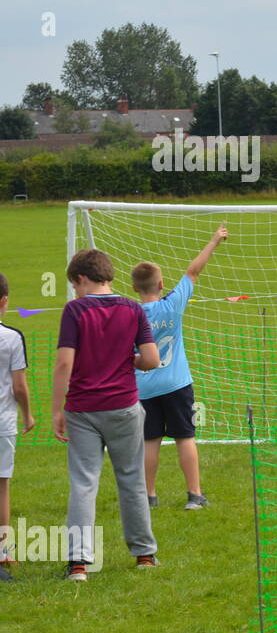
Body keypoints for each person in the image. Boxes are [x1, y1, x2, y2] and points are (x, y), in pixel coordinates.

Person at [53, 249, 161, 581]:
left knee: (83, 483)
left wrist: (57, 408)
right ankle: (144, 555)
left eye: (75, 284)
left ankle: (78, 563)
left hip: (83, 409)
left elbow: (63, 364)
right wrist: (131, 362)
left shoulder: (74, 310)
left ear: (82, 279)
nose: (75, 291)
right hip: (124, 407)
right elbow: (152, 360)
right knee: (131, 479)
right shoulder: (133, 309)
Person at [132, 225, 228, 510]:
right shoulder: (173, 304)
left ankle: (149, 497)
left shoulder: (130, 314)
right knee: (185, 437)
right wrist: (214, 240)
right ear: (161, 284)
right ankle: (194, 495)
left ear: (135, 288)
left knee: (150, 441)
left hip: (144, 386)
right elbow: (193, 271)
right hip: (176, 384)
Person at [0, 272, 35, 583]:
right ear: (5, 302)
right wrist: (28, 415)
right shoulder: (11, 337)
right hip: (2, 422)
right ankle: (2, 553)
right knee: (1, 486)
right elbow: (20, 386)